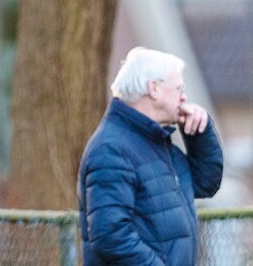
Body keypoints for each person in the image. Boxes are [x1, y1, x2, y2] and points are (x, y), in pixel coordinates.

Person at [77, 47, 224, 265]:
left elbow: (206, 183)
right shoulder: (111, 150)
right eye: (178, 89)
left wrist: (199, 132)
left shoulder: (158, 145)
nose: (184, 98)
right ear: (154, 89)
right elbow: (111, 237)